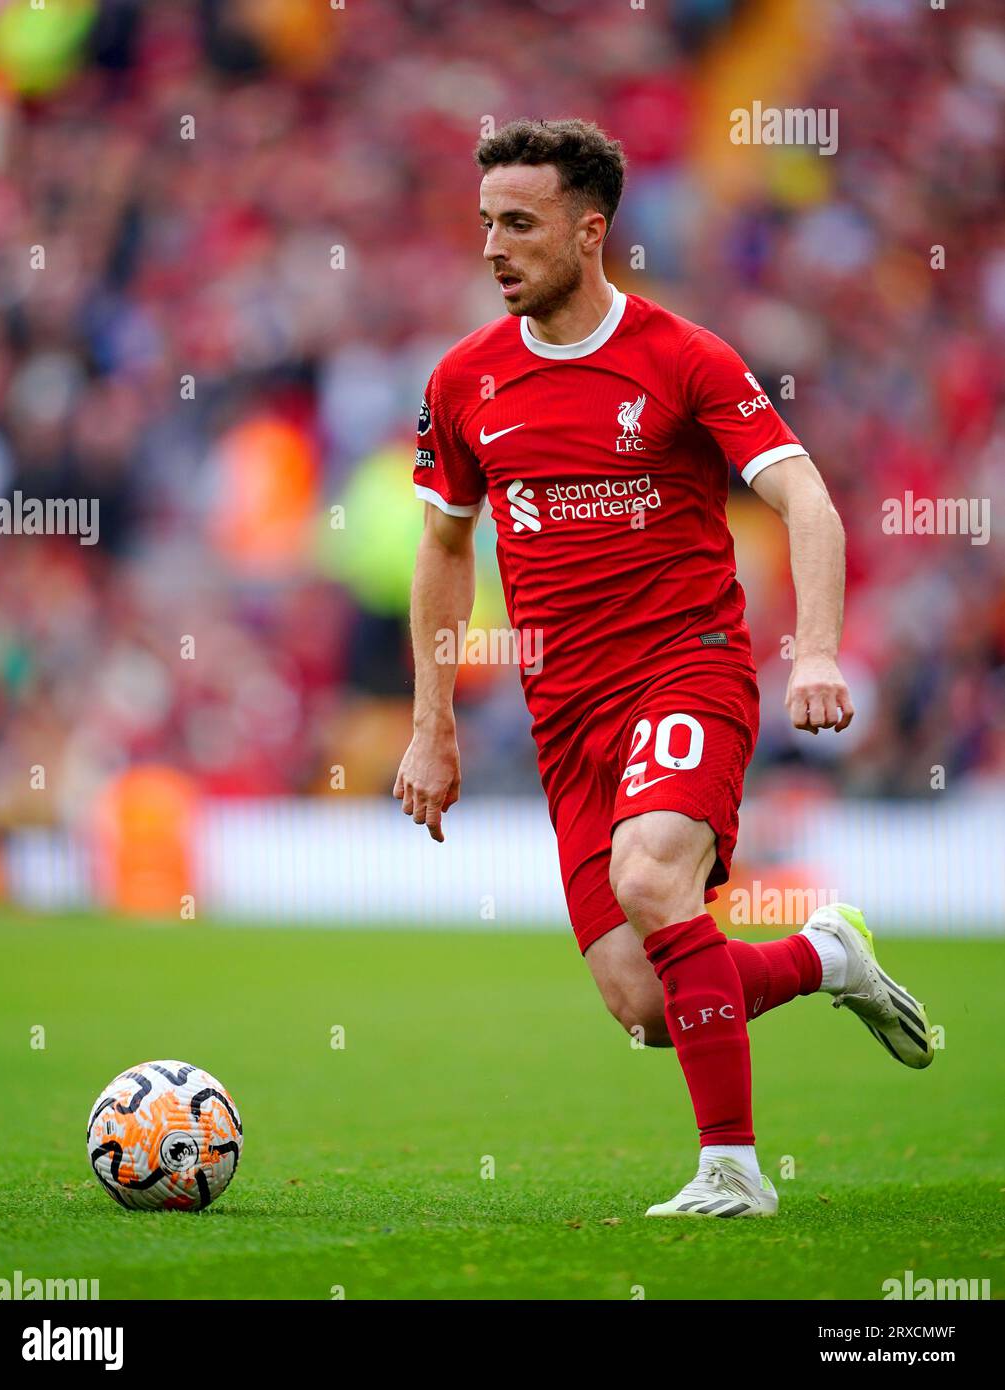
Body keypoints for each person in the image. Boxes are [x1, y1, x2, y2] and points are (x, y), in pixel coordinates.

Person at [395, 118, 933, 1219]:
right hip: (565, 717)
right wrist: (430, 721)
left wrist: (817, 649)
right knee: (646, 1004)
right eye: (486, 221)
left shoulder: (683, 358)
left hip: (685, 673)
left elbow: (805, 497)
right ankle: (826, 958)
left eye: (520, 224)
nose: (493, 246)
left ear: (589, 232)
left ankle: (731, 1168)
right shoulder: (463, 383)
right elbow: (445, 547)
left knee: (651, 878)